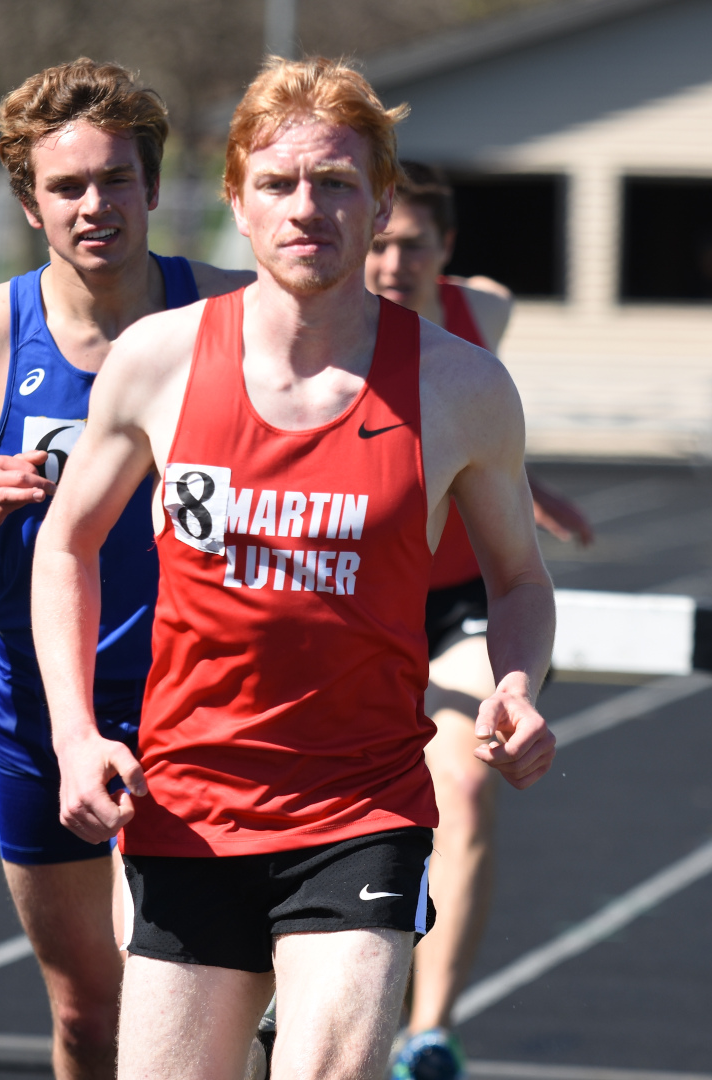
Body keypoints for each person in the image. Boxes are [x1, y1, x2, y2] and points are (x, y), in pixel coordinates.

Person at [31, 58, 558, 1080]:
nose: (305, 209)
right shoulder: (160, 360)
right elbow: (66, 542)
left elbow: (520, 581)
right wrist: (75, 733)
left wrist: (516, 686)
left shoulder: (461, 388)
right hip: (185, 806)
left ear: (381, 200)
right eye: (277, 185)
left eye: (335, 183)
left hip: (361, 811)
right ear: (236, 199)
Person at [0, 59, 254, 1080]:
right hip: (42, 707)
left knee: (191, 995)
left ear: (154, 189)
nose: (96, 206)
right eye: (68, 186)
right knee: (91, 1014)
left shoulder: (226, 317)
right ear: (30, 205)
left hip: (200, 702)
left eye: (116, 180)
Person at [363, 160, 592, 1080]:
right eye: (376, 241)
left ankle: (430, 1028)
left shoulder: (481, 314)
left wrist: (523, 489)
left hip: (454, 605)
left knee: (459, 786)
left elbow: (477, 429)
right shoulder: (325, 325)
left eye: (411, 244)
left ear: (445, 251)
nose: (388, 263)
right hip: (352, 597)